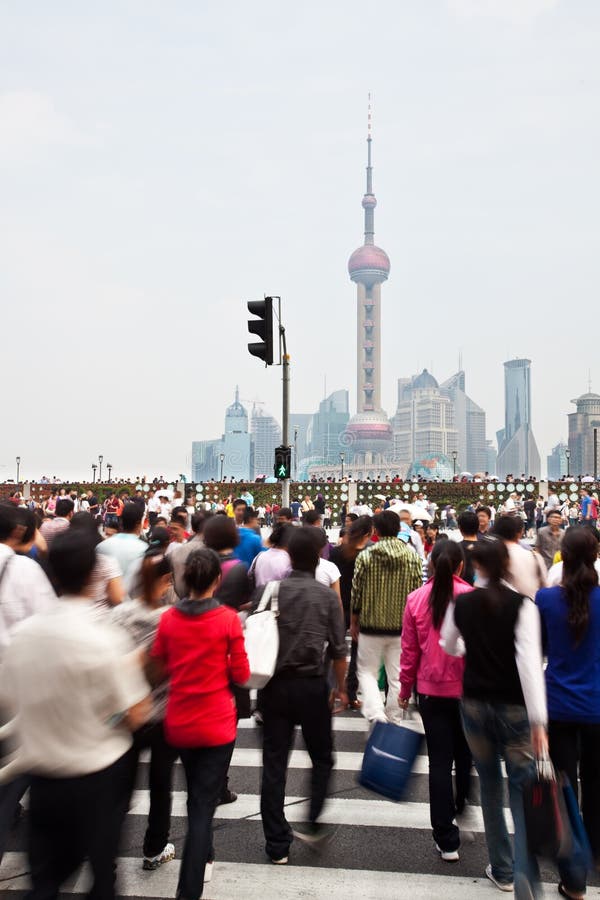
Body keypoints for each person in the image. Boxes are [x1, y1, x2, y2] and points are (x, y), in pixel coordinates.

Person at [0, 529, 150, 897]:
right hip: (97, 777)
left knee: (45, 881)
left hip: (44, 780)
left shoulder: (23, 636)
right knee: (101, 875)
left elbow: (9, 700)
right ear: (94, 574)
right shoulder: (106, 638)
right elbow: (134, 714)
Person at [441, 538, 547, 898]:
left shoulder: (464, 602)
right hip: (516, 707)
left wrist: (472, 646)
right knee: (521, 789)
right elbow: (529, 666)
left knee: (488, 784)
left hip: (474, 703)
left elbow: (448, 644)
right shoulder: (524, 606)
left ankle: (500, 867)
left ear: (477, 567)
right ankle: (525, 876)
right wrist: (539, 722)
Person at [150, 548, 250, 897]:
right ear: (217, 580)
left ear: (184, 580)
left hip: (179, 720)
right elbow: (242, 673)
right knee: (201, 807)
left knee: (195, 794)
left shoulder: (168, 619)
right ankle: (190, 886)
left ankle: (204, 854)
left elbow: (158, 668)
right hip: (217, 723)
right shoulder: (227, 620)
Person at [253, 528, 347, 864]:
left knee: (275, 763)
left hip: (274, 686)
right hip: (312, 685)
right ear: (321, 555)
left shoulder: (270, 590)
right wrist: (341, 689)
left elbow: (256, 628)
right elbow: (339, 649)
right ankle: (313, 820)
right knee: (322, 757)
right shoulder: (326, 597)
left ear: (290, 556)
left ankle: (277, 844)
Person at [400, 540, 473, 861]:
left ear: (430, 563)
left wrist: (404, 690)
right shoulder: (471, 597)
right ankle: (461, 805)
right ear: (460, 566)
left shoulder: (416, 599)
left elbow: (409, 652)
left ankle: (446, 839)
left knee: (440, 762)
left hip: (430, 690)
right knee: (465, 755)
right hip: (467, 691)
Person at [536, 526, 600, 888]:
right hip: (596, 705)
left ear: (563, 556)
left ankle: (572, 877)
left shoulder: (545, 600)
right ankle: (596, 855)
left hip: (558, 705)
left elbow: (537, 653)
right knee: (596, 784)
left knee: (565, 788)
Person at [113, 548, 178, 870]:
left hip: (128, 713)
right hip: (164, 714)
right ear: (167, 580)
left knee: (120, 785)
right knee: (160, 784)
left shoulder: (120, 615)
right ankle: (154, 848)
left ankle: (107, 843)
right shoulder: (172, 618)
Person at [351, 510, 422, 724]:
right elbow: (417, 591)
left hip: (371, 624)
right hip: (402, 627)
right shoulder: (412, 556)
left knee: (366, 672)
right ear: (399, 529)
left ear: (375, 530)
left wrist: (354, 620)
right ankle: (394, 719)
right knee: (396, 676)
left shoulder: (366, 556)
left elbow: (357, 591)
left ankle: (375, 713)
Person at [330, 515, 373, 709]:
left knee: (335, 651)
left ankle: (331, 692)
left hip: (339, 605)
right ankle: (351, 694)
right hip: (361, 608)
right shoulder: (370, 553)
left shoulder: (338, 552)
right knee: (357, 653)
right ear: (368, 533)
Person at [493, 515, 547, 599]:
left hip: (496, 607)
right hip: (529, 607)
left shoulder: (490, 555)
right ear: (521, 532)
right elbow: (545, 586)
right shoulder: (534, 556)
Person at [98, 502, 147, 592]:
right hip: (133, 602)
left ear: (121, 521)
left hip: (105, 602)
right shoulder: (145, 550)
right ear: (139, 523)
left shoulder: (102, 546)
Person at [457, 511, 480, 586]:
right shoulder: (487, 547)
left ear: (460, 527)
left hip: (461, 590)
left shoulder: (455, 548)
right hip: (482, 592)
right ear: (478, 526)